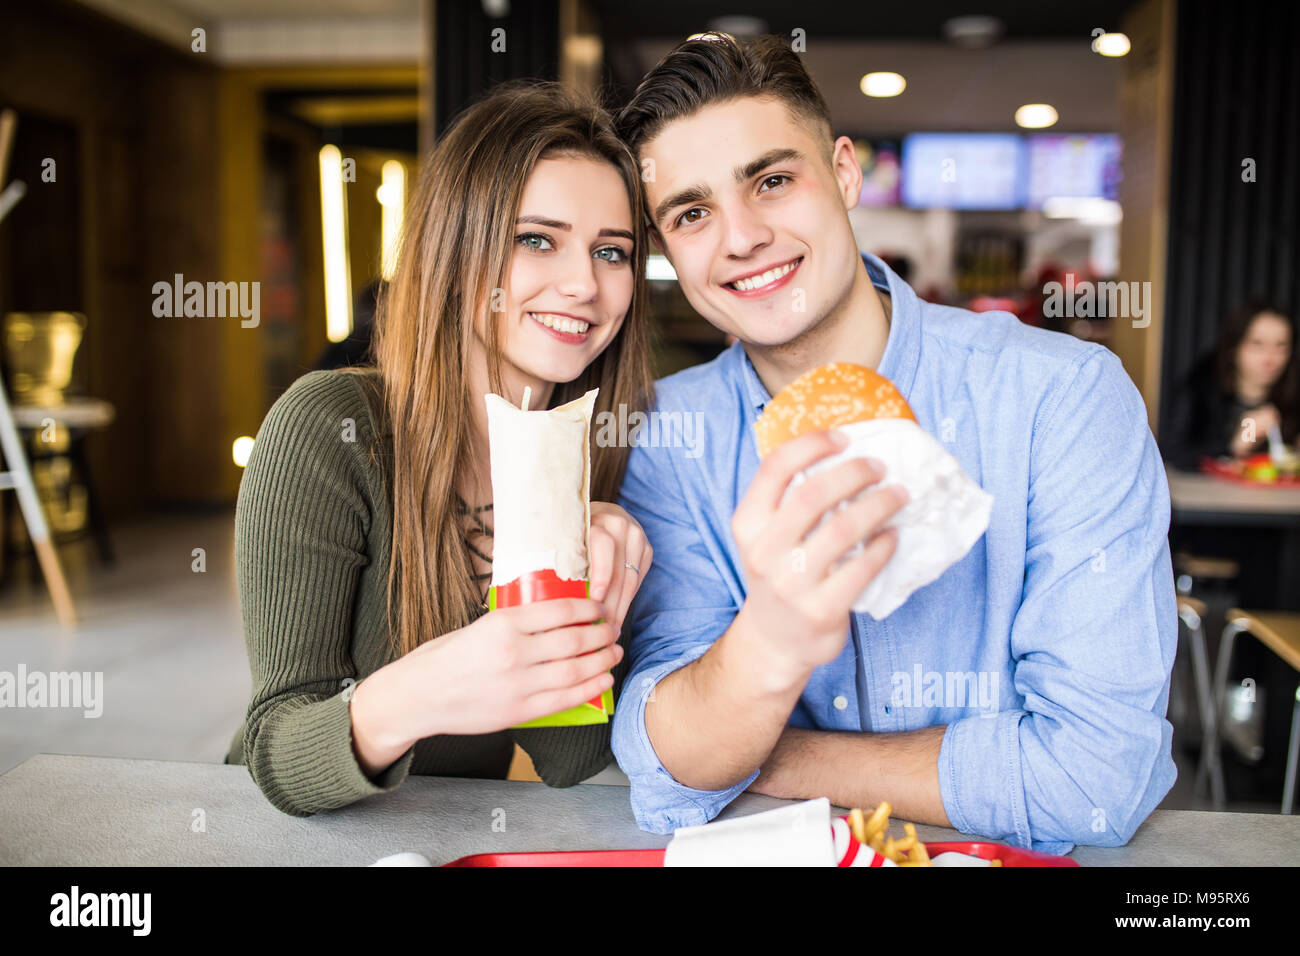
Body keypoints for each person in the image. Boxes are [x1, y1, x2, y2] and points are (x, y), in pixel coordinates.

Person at [609, 34, 1176, 853]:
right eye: (691, 213)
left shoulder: (1063, 398)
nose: (740, 238)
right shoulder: (665, 437)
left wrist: (768, 753)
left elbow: (1092, 778)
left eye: (771, 180)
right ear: (668, 245)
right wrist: (770, 638)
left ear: (843, 174)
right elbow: (660, 762)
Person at [225, 82, 655, 815]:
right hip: (283, 839)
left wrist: (592, 600)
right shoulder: (330, 428)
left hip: (445, 841)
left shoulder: (598, 450)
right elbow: (276, 752)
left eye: (611, 252)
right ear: (455, 250)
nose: (584, 283)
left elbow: (568, 757)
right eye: (537, 239)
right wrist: (418, 693)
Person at [1161, 299, 1298, 470]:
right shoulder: (1200, 387)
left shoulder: (1294, 396)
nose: (1270, 358)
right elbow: (1170, 454)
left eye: (1281, 346)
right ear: (1234, 347)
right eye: (1258, 344)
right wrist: (1232, 446)